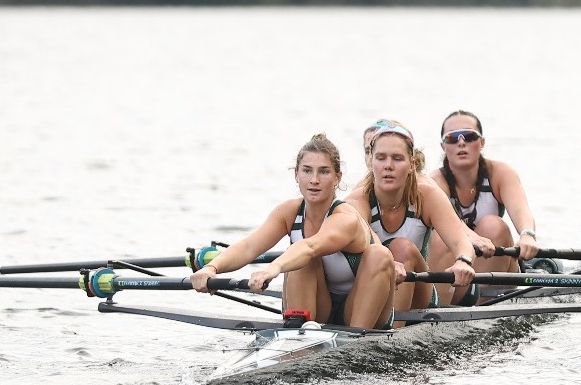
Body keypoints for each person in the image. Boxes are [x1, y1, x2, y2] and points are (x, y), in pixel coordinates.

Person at [188, 134, 400, 329]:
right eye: (307, 170)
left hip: (364, 311)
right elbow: (249, 246)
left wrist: (273, 268)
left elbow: (310, 246)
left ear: (337, 177)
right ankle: (297, 334)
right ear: (296, 174)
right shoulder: (288, 212)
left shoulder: (345, 217)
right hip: (320, 308)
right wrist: (211, 268)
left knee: (378, 255)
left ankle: (355, 341)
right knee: (300, 260)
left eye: (324, 171)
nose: (314, 180)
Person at [347, 120, 478, 315]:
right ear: (371, 161)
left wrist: (464, 261)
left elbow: (461, 242)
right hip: (371, 289)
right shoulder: (357, 200)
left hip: (419, 290)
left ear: (411, 165)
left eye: (397, 159)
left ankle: (393, 331)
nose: (388, 166)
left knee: (402, 247)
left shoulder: (427, 196)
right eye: (381, 158)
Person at [427, 110, 542, 304]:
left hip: (495, 264)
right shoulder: (434, 182)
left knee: (493, 225)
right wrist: (473, 239)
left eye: (469, 136)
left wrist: (527, 234)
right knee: (439, 237)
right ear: (443, 146)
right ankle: (450, 305)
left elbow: (520, 209)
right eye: (452, 138)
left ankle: (482, 305)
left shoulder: (500, 173)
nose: (461, 143)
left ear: (481, 143)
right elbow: (450, 223)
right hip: (457, 269)